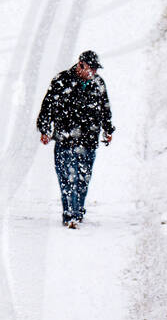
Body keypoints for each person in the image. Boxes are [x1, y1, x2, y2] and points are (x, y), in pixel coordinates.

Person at [36, 50, 115, 229]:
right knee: (67, 178)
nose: (93, 72)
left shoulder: (98, 84)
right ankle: (69, 213)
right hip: (66, 138)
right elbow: (47, 106)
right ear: (80, 64)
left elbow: (105, 108)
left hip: (89, 140)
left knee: (83, 179)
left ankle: (78, 210)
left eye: (95, 69)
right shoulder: (61, 81)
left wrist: (108, 129)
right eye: (90, 68)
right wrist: (45, 129)